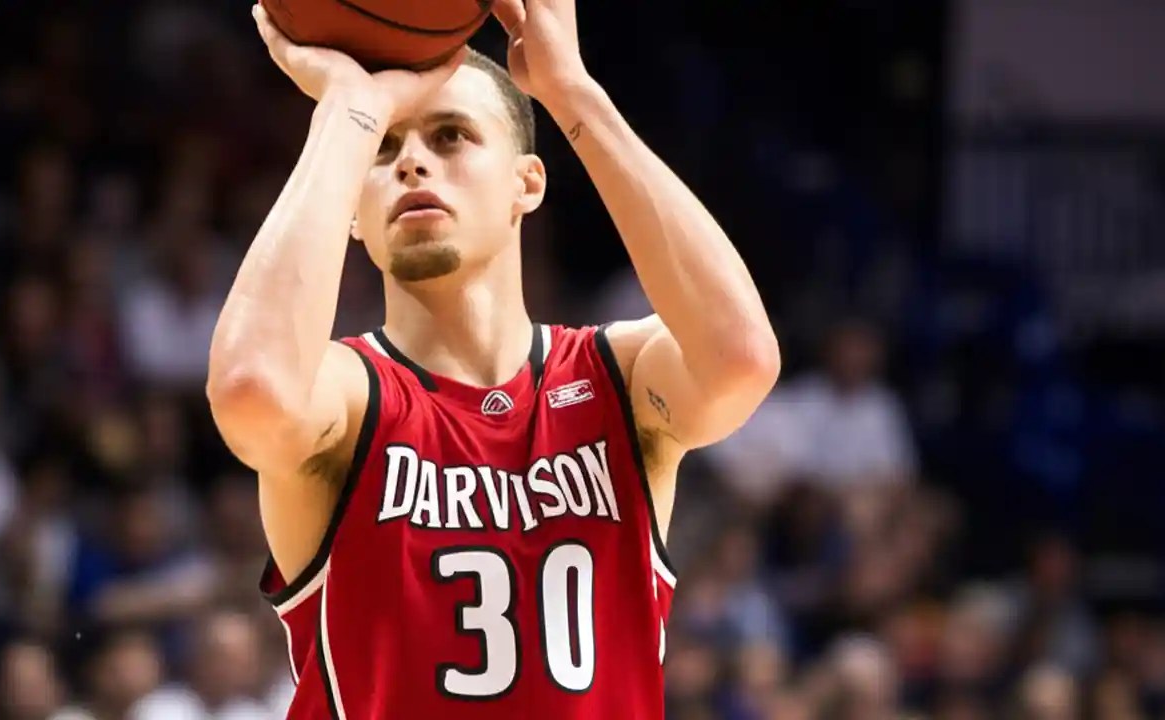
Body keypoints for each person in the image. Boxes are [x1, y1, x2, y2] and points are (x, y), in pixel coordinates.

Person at [206, 0, 779, 717]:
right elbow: (250, 392)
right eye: (384, 148)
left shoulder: (615, 382)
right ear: (351, 211)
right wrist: (349, 111)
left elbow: (741, 359)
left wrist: (573, 93)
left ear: (526, 183)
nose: (412, 160)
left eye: (451, 136)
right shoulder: (349, 402)